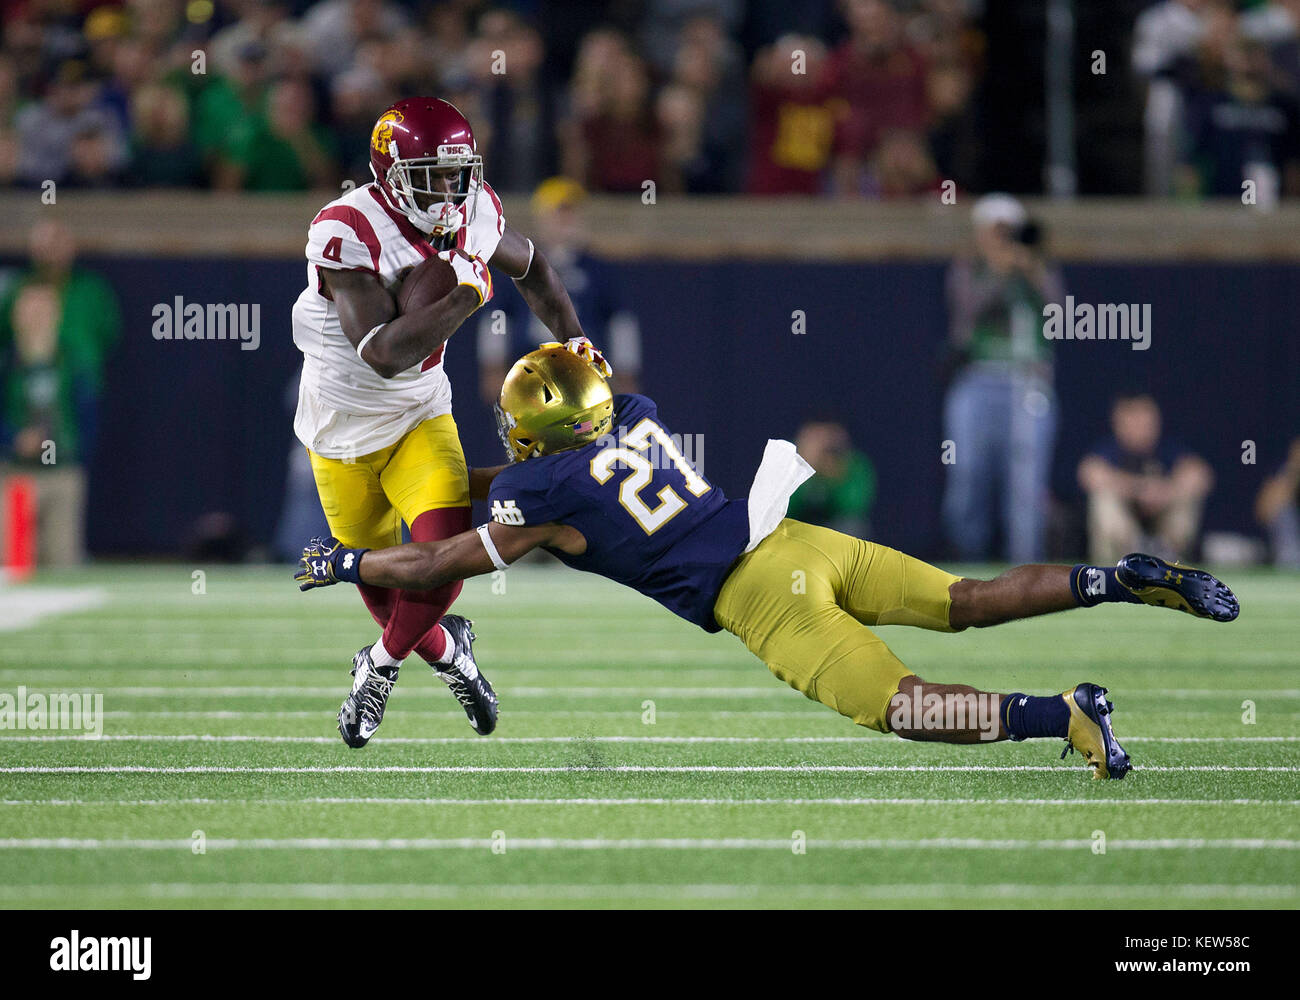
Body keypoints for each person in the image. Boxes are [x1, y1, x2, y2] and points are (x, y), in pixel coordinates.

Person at [297, 342, 1241, 778]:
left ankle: (1062, 717)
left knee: (906, 708)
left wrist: (346, 564)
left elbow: (435, 567)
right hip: (789, 534)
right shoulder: (634, 413)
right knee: (971, 597)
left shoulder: (540, 496)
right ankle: (1115, 580)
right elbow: (556, 459)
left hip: (760, 598)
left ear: (541, 436)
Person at [290, 97, 587, 748]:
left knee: (439, 562)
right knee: (386, 586)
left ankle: (379, 666)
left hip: (421, 411)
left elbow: (533, 267)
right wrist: (465, 293)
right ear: (391, 172)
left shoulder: (474, 209)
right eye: (433, 172)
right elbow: (384, 353)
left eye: (458, 172)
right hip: (341, 425)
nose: (451, 188)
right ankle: (452, 653)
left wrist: (576, 343)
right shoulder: (346, 229)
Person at [940, 193, 1064, 563]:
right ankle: (967, 562)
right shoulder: (967, 269)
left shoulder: (1038, 268)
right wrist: (998, 273)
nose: (1003, 239)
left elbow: (1060, 314)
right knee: (966, 476)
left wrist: (1031, 271)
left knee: (1027, 484)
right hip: (977, 382)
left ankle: (1025, 571)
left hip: (1028, 386)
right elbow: (966, 316)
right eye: (996, 231)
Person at [0, 220, 120, 566]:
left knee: (63, 559)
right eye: (28, 309)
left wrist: (77, 457)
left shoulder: (73, 363)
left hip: (63, 471)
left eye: (44, 309)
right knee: (16, 564)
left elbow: (86, 414)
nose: (36, 316)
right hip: (18, 474)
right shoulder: (9, 364)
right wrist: (12, 441)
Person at [476, 177, 642, 404]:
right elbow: (496, 317)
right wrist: (493, 365)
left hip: (584, 372)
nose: (566, 221)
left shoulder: (598, 270)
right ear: (542, 218)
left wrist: (625, 371)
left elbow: (621, 322)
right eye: (559, 213)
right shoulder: (521, 264)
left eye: (571, 213)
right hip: (528, 369)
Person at [1077, 392, 1214, 566]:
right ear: (1119, 422)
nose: (1141, 427)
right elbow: (1090, 473)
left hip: (1162, 530)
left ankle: (1169, 560)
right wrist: (1140, 490)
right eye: (1134, 420)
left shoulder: (1166, 449)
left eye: (1147, 421)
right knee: (1103, 499)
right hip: (1125, 540)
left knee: (1187, 497)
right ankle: (1126, 562)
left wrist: (1165, 492)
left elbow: (1200, 475)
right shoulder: (1110, 450)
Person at [787, 420, 875, 537]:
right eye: (815, 439)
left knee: (851, 524)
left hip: (836, 529)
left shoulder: (853, 465)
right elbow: (784, 506)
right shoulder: (789, 462)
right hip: (798, 526)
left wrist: (833, 477)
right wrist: (804, 469)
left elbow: (851, 506)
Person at [1255, 437, 1300, 567]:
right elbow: (1263, 512)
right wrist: (1294, 468)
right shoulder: (1289, 475)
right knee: (1283, 508)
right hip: (1291, 558)